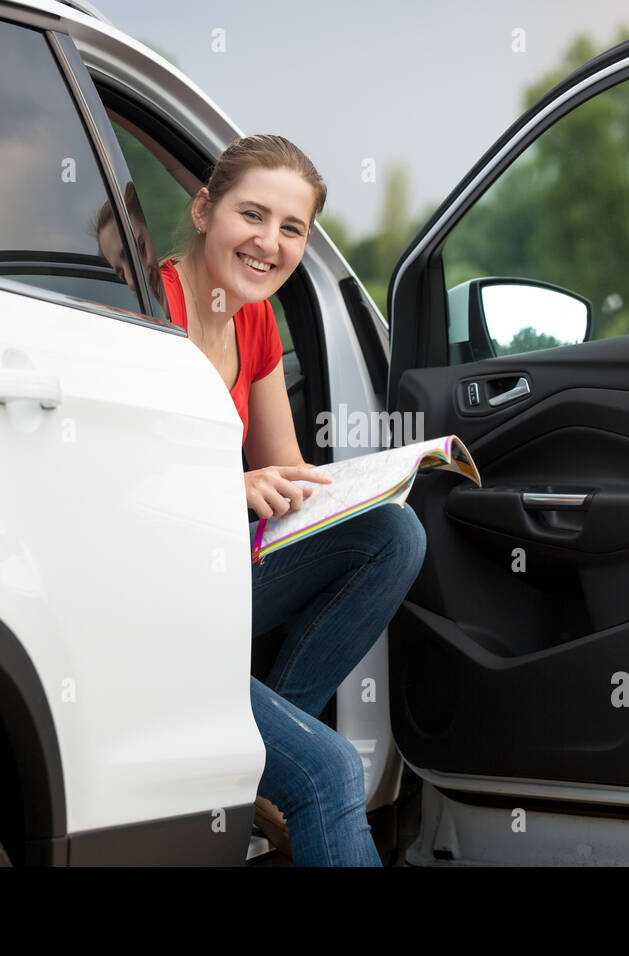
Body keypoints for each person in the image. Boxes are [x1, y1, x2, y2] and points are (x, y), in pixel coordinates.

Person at [156, 134, 427, 866]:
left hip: (221, 583)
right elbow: (126, 490)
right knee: (333, 769)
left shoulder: (254, 321)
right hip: (152, 609)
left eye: (292, 228)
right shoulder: (153, 310)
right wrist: (231, 488)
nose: (269, 243)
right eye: (252, 214)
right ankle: (274, 767)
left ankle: (259, 761)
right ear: (205, 208)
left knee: (393, 534)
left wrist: (376, 481)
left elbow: (287, 474)